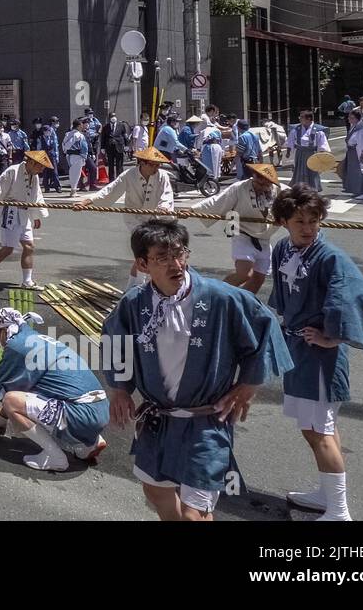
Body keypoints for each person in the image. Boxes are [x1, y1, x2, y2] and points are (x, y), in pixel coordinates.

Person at [101, 218, 291, 521]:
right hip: (158, 418)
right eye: (162, 258)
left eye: (179, 253)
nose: (175, 264)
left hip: (206, 419)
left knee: (195, 514)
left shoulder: (222, 298)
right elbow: (115, 342)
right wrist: (120, 389)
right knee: (156, 492)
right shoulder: (134, 304)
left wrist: (249, 385)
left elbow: (265, 330)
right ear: (142, 264)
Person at [269, 186, 363, 521]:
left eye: (313, 220)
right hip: (297, 349)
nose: (307, 227)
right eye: (299, 220)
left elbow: (351, 297)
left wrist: (333, 337)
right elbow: (281, 294)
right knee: (316, 428)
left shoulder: (330, 256)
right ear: (284, 222)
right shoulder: (282, 250)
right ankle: (326, 494)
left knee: (320, 430)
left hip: (320, 356)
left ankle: (340, 510)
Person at [0, 307, 109, 470]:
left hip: (81, 415)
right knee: (28, 394)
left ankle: (55, 456)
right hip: (99, 409)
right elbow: (21, 386)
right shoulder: (36, 338)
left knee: (12, 401)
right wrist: (0, 420)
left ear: (4, 330)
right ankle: (89, 443)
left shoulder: (17, 347)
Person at [74, 146, 174, 287]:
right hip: (135, 219)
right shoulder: (129, 175)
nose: (156, 168)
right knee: (148, 250)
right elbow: (110, 190)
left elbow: (167, 195)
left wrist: (164, 208)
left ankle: (135, 287)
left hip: (156, 218)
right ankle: (138, 287)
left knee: (148, 254)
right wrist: (87, 201)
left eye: (158, 164)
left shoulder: (162, 176)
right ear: (143, 162)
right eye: (153, 164)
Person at [191, 162, 282, 294]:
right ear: (253, 176)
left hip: (264, 237)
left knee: (258, 279)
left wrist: (283, 218)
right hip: (242, 233)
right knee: (245, 273)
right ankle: (216, 294)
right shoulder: (240, 188)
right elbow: (219, 200)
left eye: (266, 184)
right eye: (259, 182)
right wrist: (194, 210)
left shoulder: (277, 191)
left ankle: (243, 302)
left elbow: (292, 202)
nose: (262, 186)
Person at [0, 150, 49, 291]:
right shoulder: (13, 171)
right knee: (8, 249)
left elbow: (37, 196)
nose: (42, 169)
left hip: (25, 213)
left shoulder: (34, 177)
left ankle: (27, 281)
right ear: (31, 162)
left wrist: (37, 215)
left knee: (29, 246)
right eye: (40, 166)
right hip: (10, 211)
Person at [287, 109, 330, 191]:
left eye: (302, 117)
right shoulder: (296, 129)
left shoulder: (318, 130)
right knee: (299, 169)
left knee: (312, 170)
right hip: (300, 153)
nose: (300, 119)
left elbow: (322, 144)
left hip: (312, 153)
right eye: (300, 117)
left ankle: (313, 187)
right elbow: (290, 141)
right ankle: (300, 187)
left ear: (309, 119)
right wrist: (288, 151)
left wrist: (322, 154)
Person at [340, 109, 363, 197]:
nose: (349, 119)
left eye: (351, 118)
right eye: (349, 117)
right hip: (352, 152)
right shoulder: (354, 126)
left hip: (358, 151)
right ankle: (357, 190)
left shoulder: (361, 128)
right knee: (354, 172)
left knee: (361, 170)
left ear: (356, 118)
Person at [61, 119, 89, 192]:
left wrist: (65, 151)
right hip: (77, 155)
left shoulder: (67, 134)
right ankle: (73, 190)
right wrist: (84, 156)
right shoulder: (79, 135)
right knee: (76, 173)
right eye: (81, 125)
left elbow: (63, 145)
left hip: (69, 155)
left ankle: (73, 189)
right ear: (79, 126)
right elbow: (84, 147)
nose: (82, 126)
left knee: (72, 172)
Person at [101, 112, 131, 180]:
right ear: (109, 118)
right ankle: (111, 179)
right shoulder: (106, 127)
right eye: (112, 117)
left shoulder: (121, 125)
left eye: (114, 116)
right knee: (110, 164)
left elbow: (125, 135)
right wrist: (102, 147)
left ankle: (120, 179)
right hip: (109, 147)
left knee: (119, 164)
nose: (113, 118)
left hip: (119, 147)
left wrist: (126, 145)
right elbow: (103, 138)